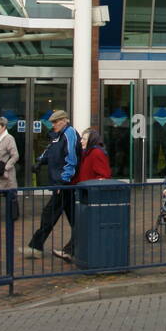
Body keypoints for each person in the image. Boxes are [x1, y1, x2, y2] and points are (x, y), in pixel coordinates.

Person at [22, 109, 79, 258]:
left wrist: (63, 181)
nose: (53, 124)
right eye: (52, 122)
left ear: (65, 120)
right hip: (62, 184)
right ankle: (79, 244)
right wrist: (40, 161)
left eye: (56, 122)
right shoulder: (58, 136)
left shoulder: (69, 133)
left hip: (65, 184)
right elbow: (50, 150)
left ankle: (35, 246)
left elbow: (71, 158)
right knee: (75, 219)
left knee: (49, 214)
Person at [54, 128, 111, 262]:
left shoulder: (96, 153)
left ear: (91, 140)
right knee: (82, 225)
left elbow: (104, 175)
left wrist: (90, 187)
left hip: (92, 196)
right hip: (85, 194)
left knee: (82, 225)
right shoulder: (87, 153)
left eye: (84, 139)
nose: (81, 141)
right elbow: (81, 174)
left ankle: (70, 251)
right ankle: (73, 251)